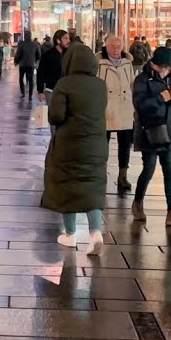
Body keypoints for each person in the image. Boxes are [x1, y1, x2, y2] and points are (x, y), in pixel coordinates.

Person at [43, 43, 109, 255]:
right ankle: (95, 233)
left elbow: (56, 116)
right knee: (92, 187)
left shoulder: (65, 84)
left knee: (68, 186)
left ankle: (70, 235)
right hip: (96, 144)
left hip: (69, 144)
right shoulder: (100, 85)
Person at [132, 46, 171, 226]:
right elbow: (141, 105)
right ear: (162, 65)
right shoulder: (143, 79)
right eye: (170, 66)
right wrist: (162, 97)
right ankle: (138, 202)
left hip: (168, 130)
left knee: (170, 172)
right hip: (150, 131)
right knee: (148, 170)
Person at [99, 35, 136, 193]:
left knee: (125, 144)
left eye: (118, 47)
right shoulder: (99, 64)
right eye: (112, 46)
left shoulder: (128, 64)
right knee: (103, 144)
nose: (115, 50)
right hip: (106, 108)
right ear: (106, 47)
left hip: (125, 108)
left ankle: (123, 176)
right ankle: (101, 175)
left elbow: (132, 84)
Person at [38, 29, 70, 100]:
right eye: (65, 38)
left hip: (67, 91)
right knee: (52, 110)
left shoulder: (69, 54)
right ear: (58, 41)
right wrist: (40, 91)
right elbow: (40, 73)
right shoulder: (48, 55)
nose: (68, 41)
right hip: (51, 91)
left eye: (68, 38)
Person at [14, 30, 40, 100]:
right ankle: (30, 95)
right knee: (31, 80)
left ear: (24, 36)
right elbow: (38, 54)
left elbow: (18, 54)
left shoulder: (21, 44)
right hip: (31, 64)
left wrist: (16, 61)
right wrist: (35, 60)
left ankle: (23, 93)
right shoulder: (34, 44)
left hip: (22, 64)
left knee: (21, 78)